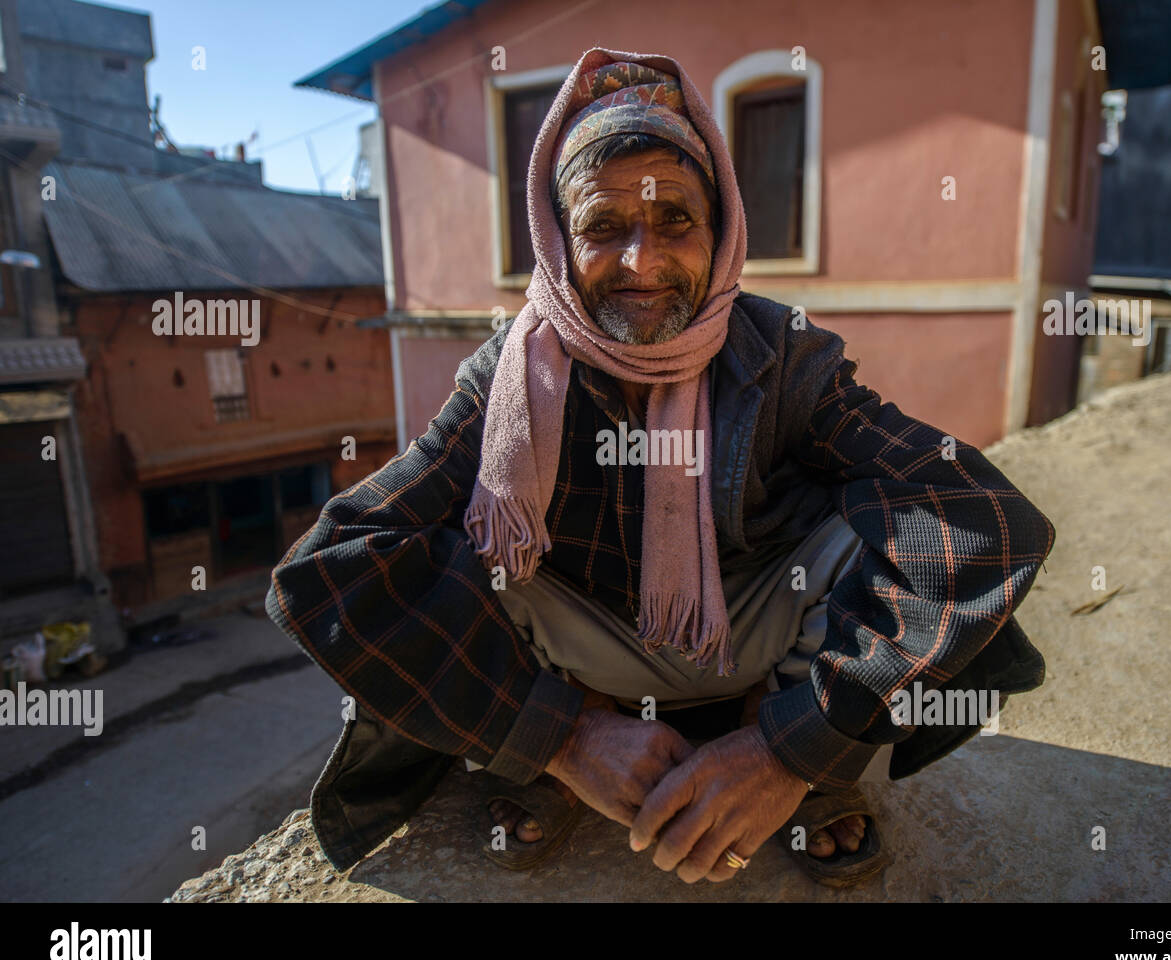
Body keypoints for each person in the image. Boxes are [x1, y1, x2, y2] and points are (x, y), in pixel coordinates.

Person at [266, 47, 1056, 889]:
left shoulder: (782, 357)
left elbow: (981, 514)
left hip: (757, 651)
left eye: (675, 219)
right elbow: (329, 568)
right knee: (464, 546)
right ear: (557, 241)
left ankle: (796, 757)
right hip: (580, 662)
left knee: (887, 532)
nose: (641, 262)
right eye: (604, 227)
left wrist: (793, 746)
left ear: (721, 234)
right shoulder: (508, 380)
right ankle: (554, 758)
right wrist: (564, 736)